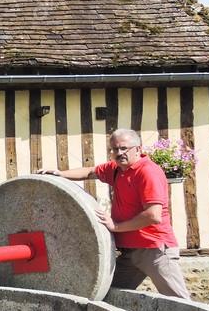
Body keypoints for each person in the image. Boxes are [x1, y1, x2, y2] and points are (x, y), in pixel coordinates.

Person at [38, 128, 191, 300]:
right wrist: (60, 174)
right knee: (106, 296)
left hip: (154, 250)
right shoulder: (117, 169)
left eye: (124, 148)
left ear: (138, 149)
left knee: (179, 302)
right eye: (115, 149)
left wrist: (116, 227)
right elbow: (90, 172)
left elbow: (153, 215)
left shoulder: (148, 172)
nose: (119, 153)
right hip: (130, 253)